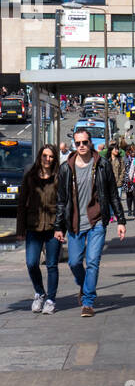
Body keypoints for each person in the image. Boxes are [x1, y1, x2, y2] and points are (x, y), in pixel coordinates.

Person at [54, 125, 126, 317]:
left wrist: (121, 220)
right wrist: (58, 227)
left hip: (96, 221)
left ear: (90, 143)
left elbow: (112, 195)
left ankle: (87, 302)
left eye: (85, 142)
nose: (81, 146)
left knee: (93, 261)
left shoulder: (102, 165)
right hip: (74, 223)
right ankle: (85, 285)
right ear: (74, 144)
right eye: (78, 143)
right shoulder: (65, 169)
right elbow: (61, 200)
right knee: (74, 263)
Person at [16, 142, 61, 314]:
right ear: (40, 157)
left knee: (51, 265)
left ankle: (50, 299)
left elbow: (63, 203)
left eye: (50, 156)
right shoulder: (30, 176)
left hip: (52, 226)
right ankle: (40, 292)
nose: (47, 159)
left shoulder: (58, 177)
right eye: (44, 156)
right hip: (33, 226)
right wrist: (20, 229)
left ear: (54, 158)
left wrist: (62, 227)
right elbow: (21, 203)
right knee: (31, 263)